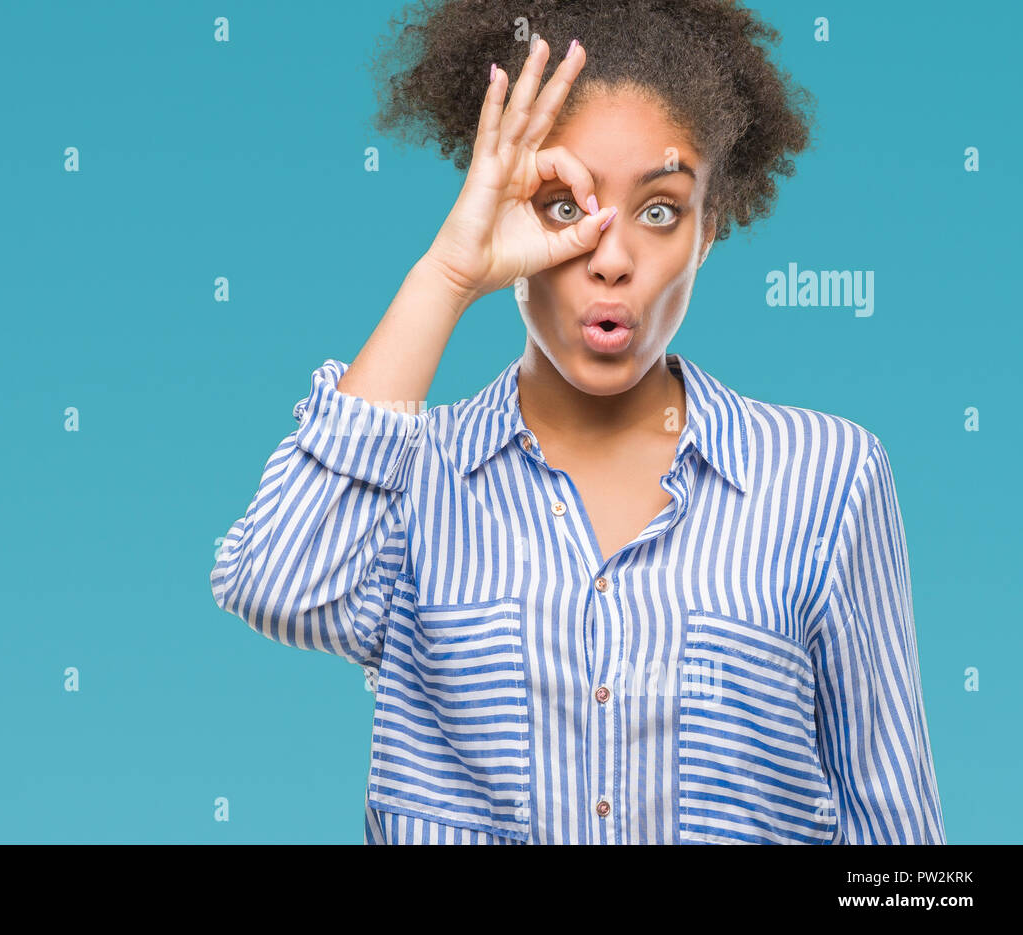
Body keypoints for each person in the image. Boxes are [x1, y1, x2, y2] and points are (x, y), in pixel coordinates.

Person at [210, 0, 945, 845]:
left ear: (708, 231)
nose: (612, 255)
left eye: (661, 210)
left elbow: (901, 850)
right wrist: (448, 271)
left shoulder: (826, 477)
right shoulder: (411, 479)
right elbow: (274, 583)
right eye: (567, 205)